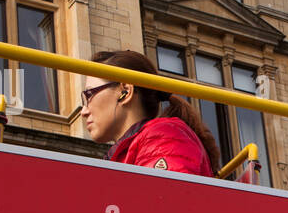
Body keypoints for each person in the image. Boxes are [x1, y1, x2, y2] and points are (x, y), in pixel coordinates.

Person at [81, 49, 220, 176]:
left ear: (125, 92)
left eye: (88, 95)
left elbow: (164, 198)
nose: (84, 111)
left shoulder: (164, 136)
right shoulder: (135, 148)